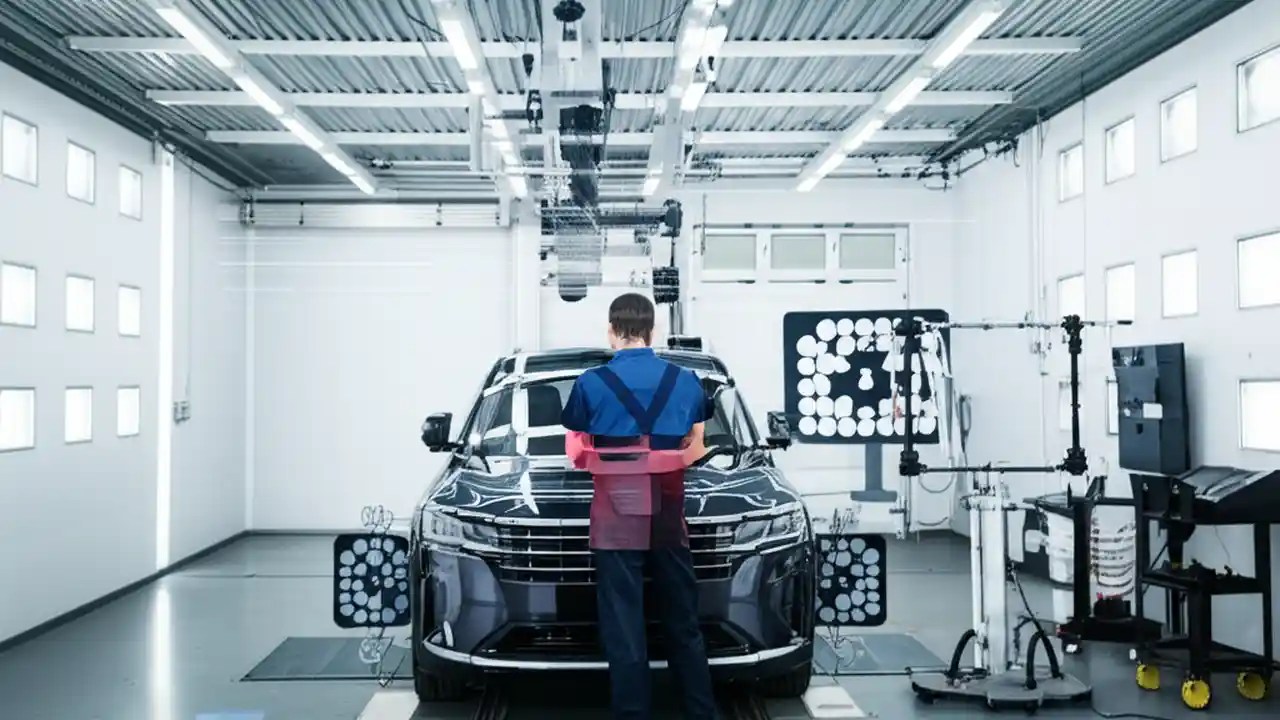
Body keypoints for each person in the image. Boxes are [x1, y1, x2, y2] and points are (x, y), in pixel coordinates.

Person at [560, 293, 717, 720]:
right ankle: (702, 712)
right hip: (668, 510)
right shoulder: (685, 380)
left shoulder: (591, 383)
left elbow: (576, 450)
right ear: (653, 331)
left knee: (624, 625)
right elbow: (694, 441)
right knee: (683, 620)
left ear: (612, 331)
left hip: (615, 514)